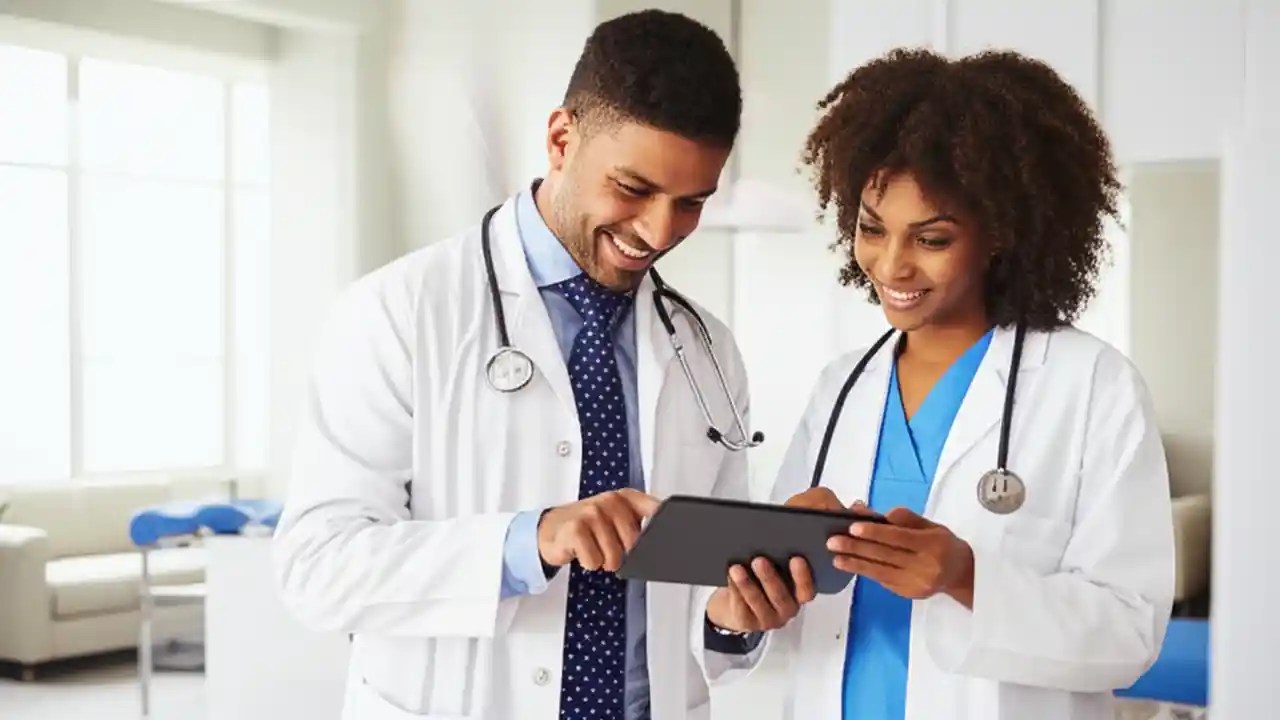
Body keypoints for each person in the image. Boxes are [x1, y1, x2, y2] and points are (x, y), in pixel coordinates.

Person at [272, 10, 812, 720]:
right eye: (632, 188)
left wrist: (734, 616)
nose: (658, 231)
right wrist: (527, 540)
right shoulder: (401, 312)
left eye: (691, 204)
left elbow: (699, 612)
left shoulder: (705, 350)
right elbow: (318, 567)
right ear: (562, 139)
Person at [761, 48, 1175, 719]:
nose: (891, 264)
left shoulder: (1091, 386)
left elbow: (1131, 631)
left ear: (999, 236)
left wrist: (965, 577)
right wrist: (763, 582)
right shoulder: (843, 388)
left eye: (931, 239)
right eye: (872, 229)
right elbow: (780, 612)